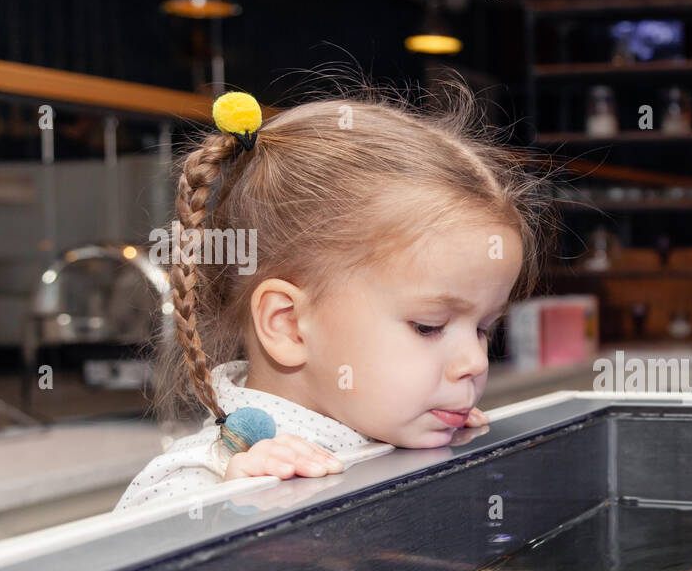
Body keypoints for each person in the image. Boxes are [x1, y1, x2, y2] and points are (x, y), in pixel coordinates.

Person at [114, 79, 553, 510]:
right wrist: (230, 517)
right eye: (429, 327)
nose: (475, 363)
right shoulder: (197, 484)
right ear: (287, 325)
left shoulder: (376, 425)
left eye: (483, 328)